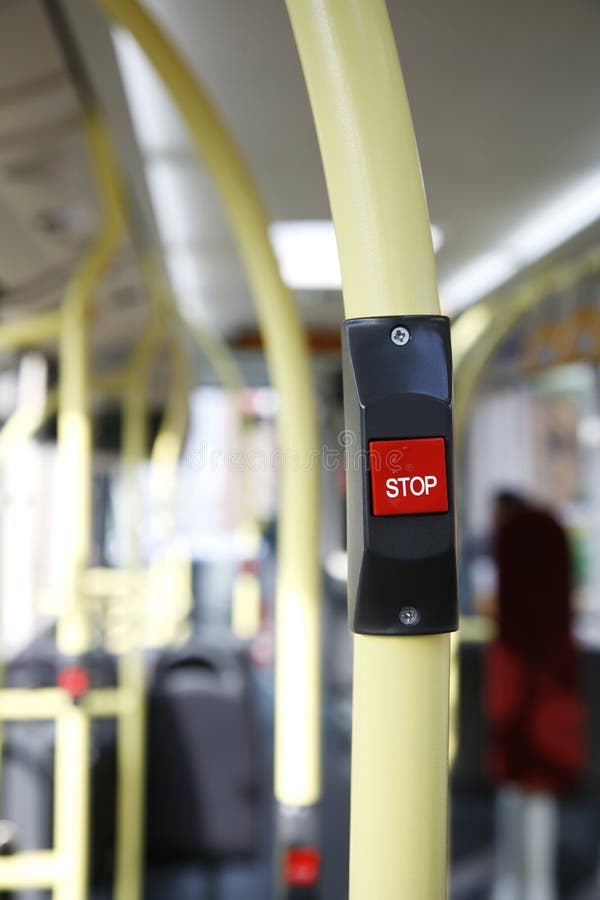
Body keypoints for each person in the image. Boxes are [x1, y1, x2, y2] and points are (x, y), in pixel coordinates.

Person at [484, 491, 586, 900]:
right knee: (540, 788)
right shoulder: (550, 533)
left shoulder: (514, 537)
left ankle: (512, 883)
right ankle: (538, 885)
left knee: (514, 785)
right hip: (553, 686)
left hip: (518, 688)